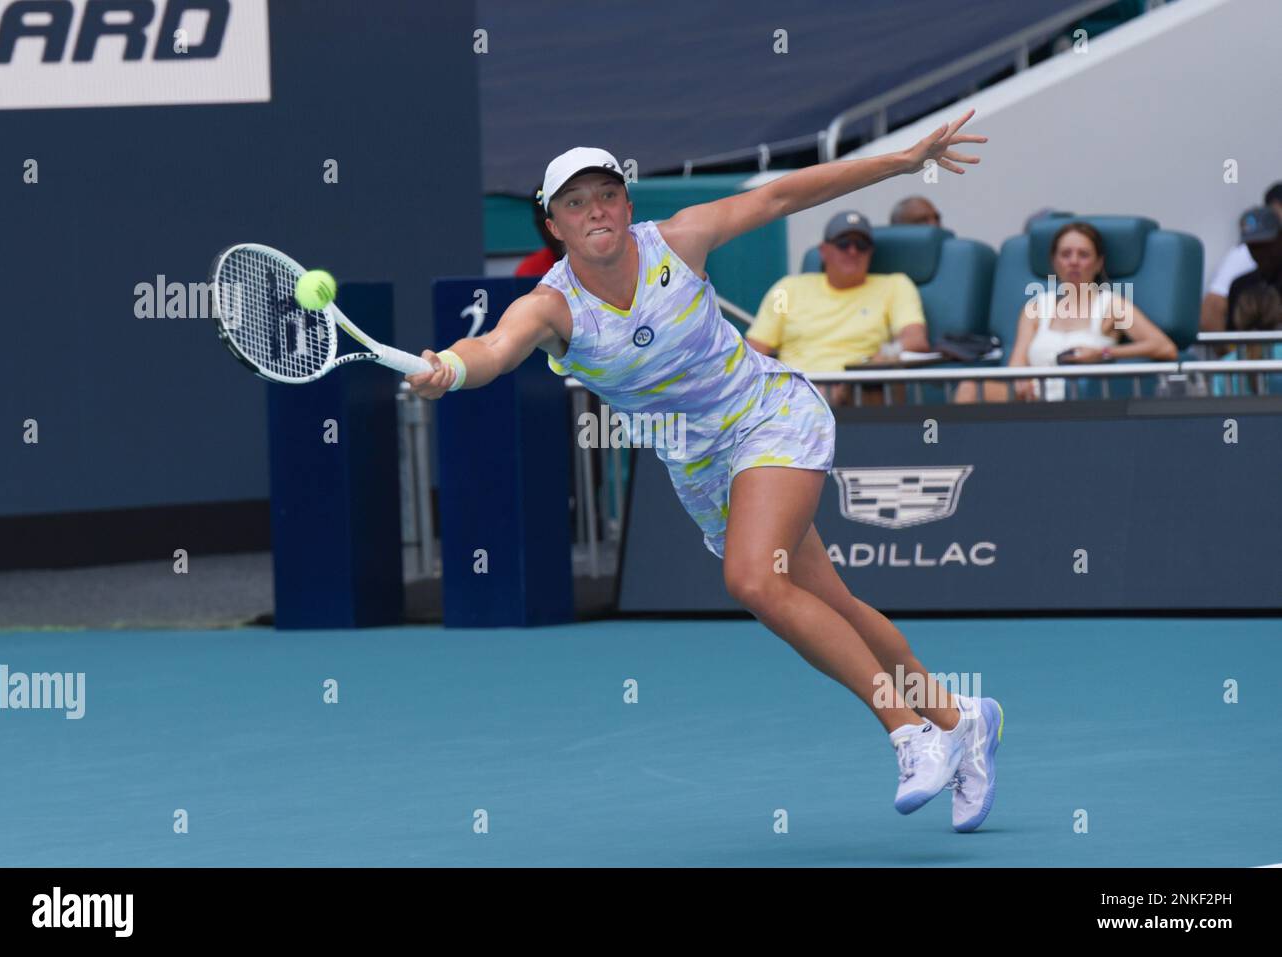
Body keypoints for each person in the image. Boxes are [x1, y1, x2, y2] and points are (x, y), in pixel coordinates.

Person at [407, 111, 1005, 830]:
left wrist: (903, 162)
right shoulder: (551, 306)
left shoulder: (680, 241)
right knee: (833, 605)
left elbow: (781, 196)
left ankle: (911, 735)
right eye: (574, 202)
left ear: (627, 204)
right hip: (703, 471)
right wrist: (449, 365)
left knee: (754, 579)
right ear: (555, 224)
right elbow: (496, 351)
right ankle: (961, 716)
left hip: (769, 417)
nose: (594, 210)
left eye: (605, 195)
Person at [954, 221, 1176, 403]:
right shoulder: (1037, 307)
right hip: (1032, 400)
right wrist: (1020, 381)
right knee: (969, 389)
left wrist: (1105, 354)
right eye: (1066, 254)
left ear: (1099, 263)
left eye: (1084, 255)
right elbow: (1017, 362)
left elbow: (1164, 347)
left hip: (1083, 403)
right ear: (1054, 262)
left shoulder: (1111, 305)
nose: (1074, 262)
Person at [746, 211, 929, 407]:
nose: (853, 251)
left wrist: (878, 361)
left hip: (858, 395)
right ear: (823, 251)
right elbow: (754, 353)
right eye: (843, 243)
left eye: (862, 245)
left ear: (871, 251)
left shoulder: (895, 285)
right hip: (791, 397)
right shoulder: (788, 288)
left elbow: (915, 340)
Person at [1201, 182, 1282, 339]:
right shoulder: (1241, 285)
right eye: (1252, 247)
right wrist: (1230, 358)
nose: (1259, 253)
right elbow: (1213, 314)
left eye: (1265, 245)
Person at [514, 181, 566, 277]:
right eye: (548, 226)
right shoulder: (530, 269)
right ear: (539, 228)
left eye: (563, 221)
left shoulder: (598, 260)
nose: (558, 231)